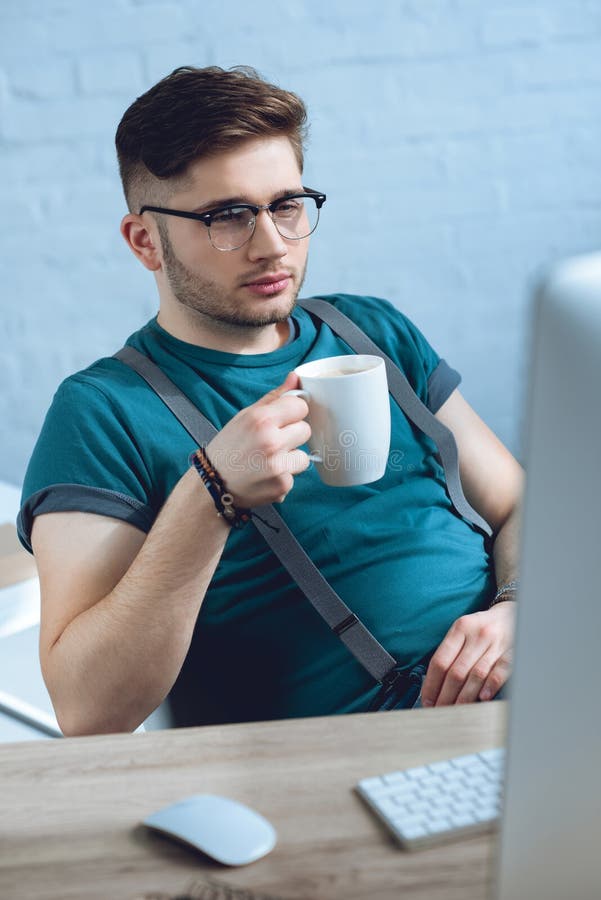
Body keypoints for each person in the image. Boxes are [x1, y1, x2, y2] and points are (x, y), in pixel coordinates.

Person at [18, 66, 523, 736]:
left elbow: (518, 502)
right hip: (362, 752)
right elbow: (89, 710)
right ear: (145, 242)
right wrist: (210, 492)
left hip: (534, 683)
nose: (272, 244)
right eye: (226, 216)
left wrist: (519, 606)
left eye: (286, 205)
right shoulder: (102, 412)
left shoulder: (370, 329)